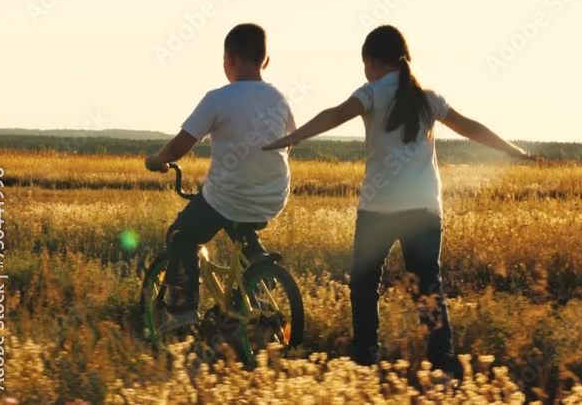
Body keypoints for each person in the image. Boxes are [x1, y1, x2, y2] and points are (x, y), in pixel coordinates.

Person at [263, 24, 533, 373]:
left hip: (379, 207)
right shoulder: (427, 97)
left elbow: (333, 115)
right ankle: (444, 367)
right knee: (426, 289)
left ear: (371, 62)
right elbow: (470, 127)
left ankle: (365, 361)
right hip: (424, 208)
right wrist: (512, 149)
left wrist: (291, 138)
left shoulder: (372, 92)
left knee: (363, 284)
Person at [145, 23, 296, 334]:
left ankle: (184, 311)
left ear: (229, 59)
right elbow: (289, 140)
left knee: (181, 236)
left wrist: (158, 160)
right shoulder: (279, 99)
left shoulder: (217, 98)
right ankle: (259, 283)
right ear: (265, 61)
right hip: (272, 196)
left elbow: (181, 145)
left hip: (229, 196)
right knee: (240, 228)